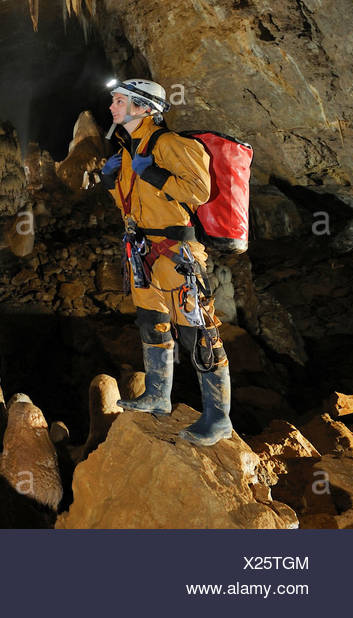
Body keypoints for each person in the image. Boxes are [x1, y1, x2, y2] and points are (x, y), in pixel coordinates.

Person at [99, 78, 232, 446]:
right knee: (152, 324)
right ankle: (157, 396)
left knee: (198, 331)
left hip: (177, 255)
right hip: (142, 252)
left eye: (119, 100)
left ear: (142, 107)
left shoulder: (172, 144)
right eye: (113, 100)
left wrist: (154, 172)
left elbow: (199, 190)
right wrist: (112, 182)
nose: (112, 106)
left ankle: (219, 418)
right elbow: (130, 205)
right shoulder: (128, 151)